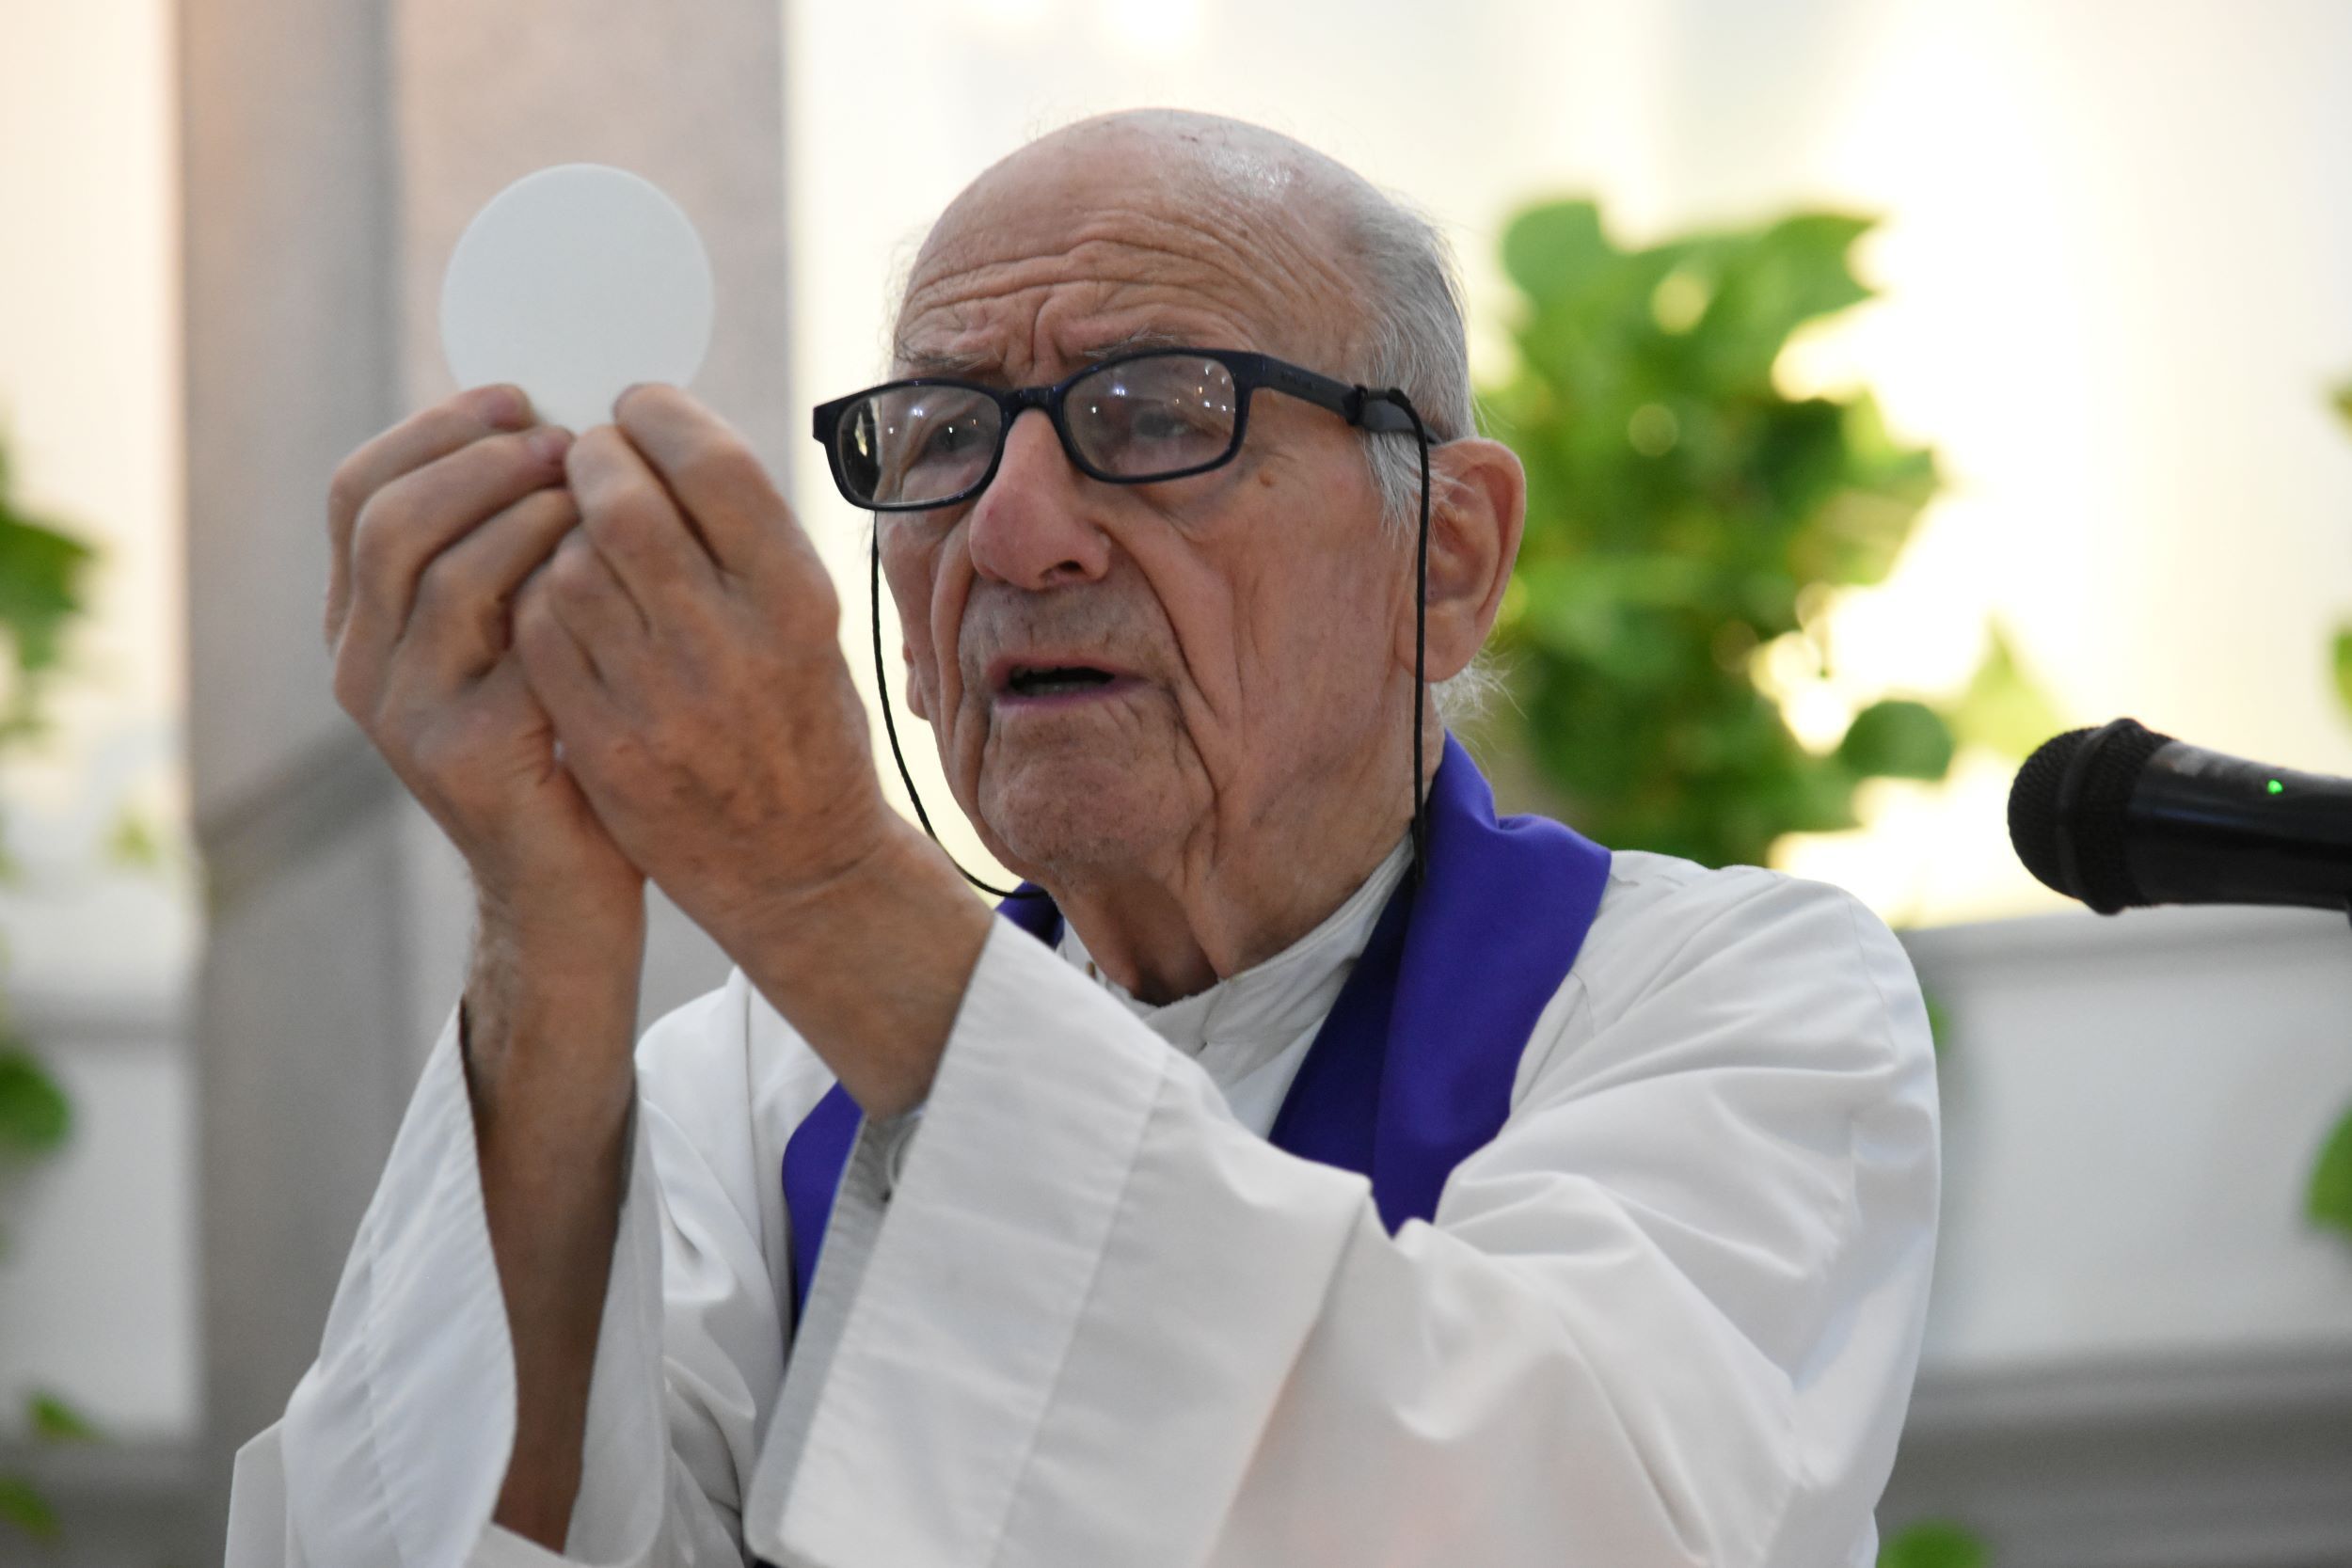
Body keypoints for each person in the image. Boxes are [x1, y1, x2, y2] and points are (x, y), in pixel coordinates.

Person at [226, 109, 1939, 1568]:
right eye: (945, 438)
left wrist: (816, 874)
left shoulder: (1728, 1005)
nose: (1017, 535)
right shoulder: (751, 1092)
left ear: (1450, 550)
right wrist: (550, 899)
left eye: (1159, 413)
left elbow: (1533, 1511)